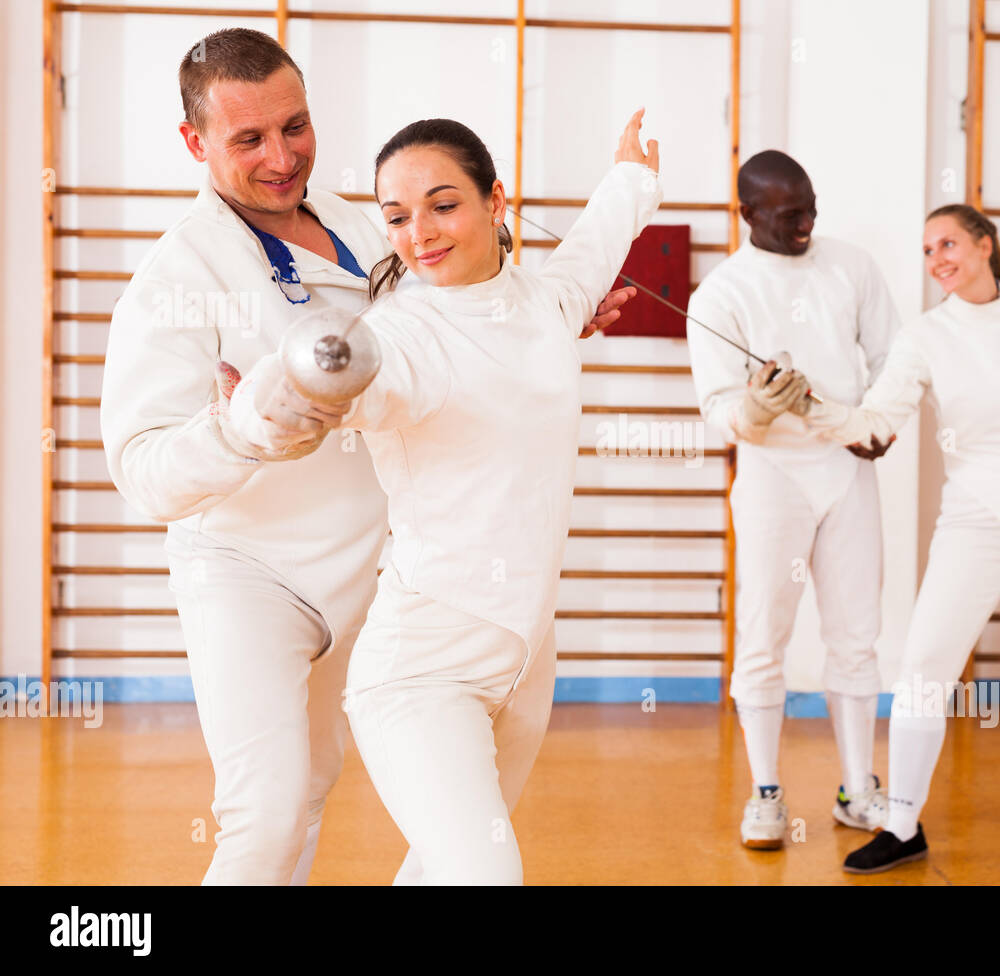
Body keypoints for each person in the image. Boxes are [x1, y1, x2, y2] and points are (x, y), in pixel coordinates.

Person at [100, 28, 632, 885]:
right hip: (250, 573)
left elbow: (451, 331)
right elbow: (142, 470)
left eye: (296, 125)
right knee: (270, 815)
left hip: (379, 570)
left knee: (399, 800)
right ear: (194, 144)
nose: (282, 156)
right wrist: (242, 428)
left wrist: (546, 324)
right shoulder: (174, 278)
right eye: (248, 139)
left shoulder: (367, 223)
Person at [230, 111, 663, 883]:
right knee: (487, 875)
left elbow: (596, 248)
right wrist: (261, 408)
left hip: (527, 659)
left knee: (442, 871)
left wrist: (633, 176)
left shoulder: (543, 298)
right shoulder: (401, 338)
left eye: (443, 204)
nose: (419, 233)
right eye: (396, 217)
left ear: (498, 202)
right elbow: (336, 376)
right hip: (423, 672)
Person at [798, 204, 1000, 874]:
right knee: (924, 670)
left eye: (947, 243)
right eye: (927, 251)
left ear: (985, 246)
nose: (937, 260)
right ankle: (901, 824)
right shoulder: (925, 336)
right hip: (976, 511)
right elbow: (876, 422)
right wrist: (807, 406)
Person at [685, 150, 902, 850]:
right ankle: (767, 792)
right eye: (788, 215)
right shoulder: (721, 293)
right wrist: (756, 406)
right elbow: (722, 410)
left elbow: (894, 360)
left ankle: (858, 787)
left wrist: (876, 424)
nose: (805, 223)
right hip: (773, 476)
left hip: (847, 469)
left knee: (857, 632)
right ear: (748, 214)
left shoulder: (850, 267)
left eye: (810, 208)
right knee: (763, 632)